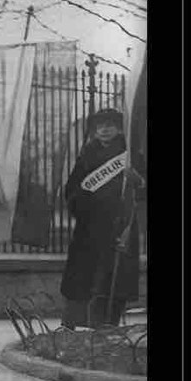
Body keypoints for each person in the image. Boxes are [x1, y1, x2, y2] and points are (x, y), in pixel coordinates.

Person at [60, 107, 143, 329]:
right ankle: (74, 324)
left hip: (119, 225)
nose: (104, 130)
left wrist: (138, 182)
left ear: (119, 129)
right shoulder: (86, 153)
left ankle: (106, 326)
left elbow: (141, 191)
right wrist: (80, 202)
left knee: (111, 279)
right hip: (89, 225)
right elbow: (72, 188)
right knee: (82, 276)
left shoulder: (132, 154)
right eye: (99, 126)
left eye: (110, 125)